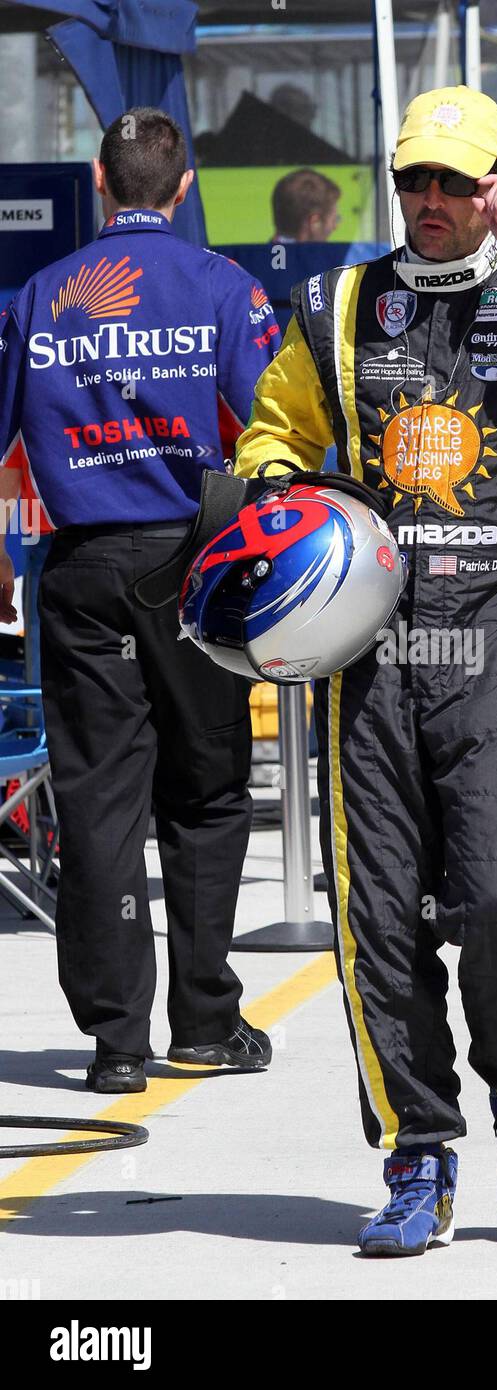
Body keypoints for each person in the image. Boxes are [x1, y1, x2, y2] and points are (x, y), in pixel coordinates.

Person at [235, 85, 497, 1254]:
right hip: (364, 652)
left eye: (454, 183)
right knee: (377, 922)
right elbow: (273, 428)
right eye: (412, 180)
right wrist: (283, 496)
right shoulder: (336, 302)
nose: (427, 202)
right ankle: (416, 1155)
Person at [0, 107, 280, 1094]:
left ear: (97, 179)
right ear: (187, 184)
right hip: (194, 566)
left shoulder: (35, 297)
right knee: (203, 793)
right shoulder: (221, 288)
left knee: (98, 804)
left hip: (78, 569)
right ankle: (204, 1021)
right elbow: (276, 430)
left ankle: (117, 1041)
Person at [271, 168, 342, 244]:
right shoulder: (333, 255)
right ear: (315, 222)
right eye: (335, 220)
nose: (335, 227)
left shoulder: (261, 254)